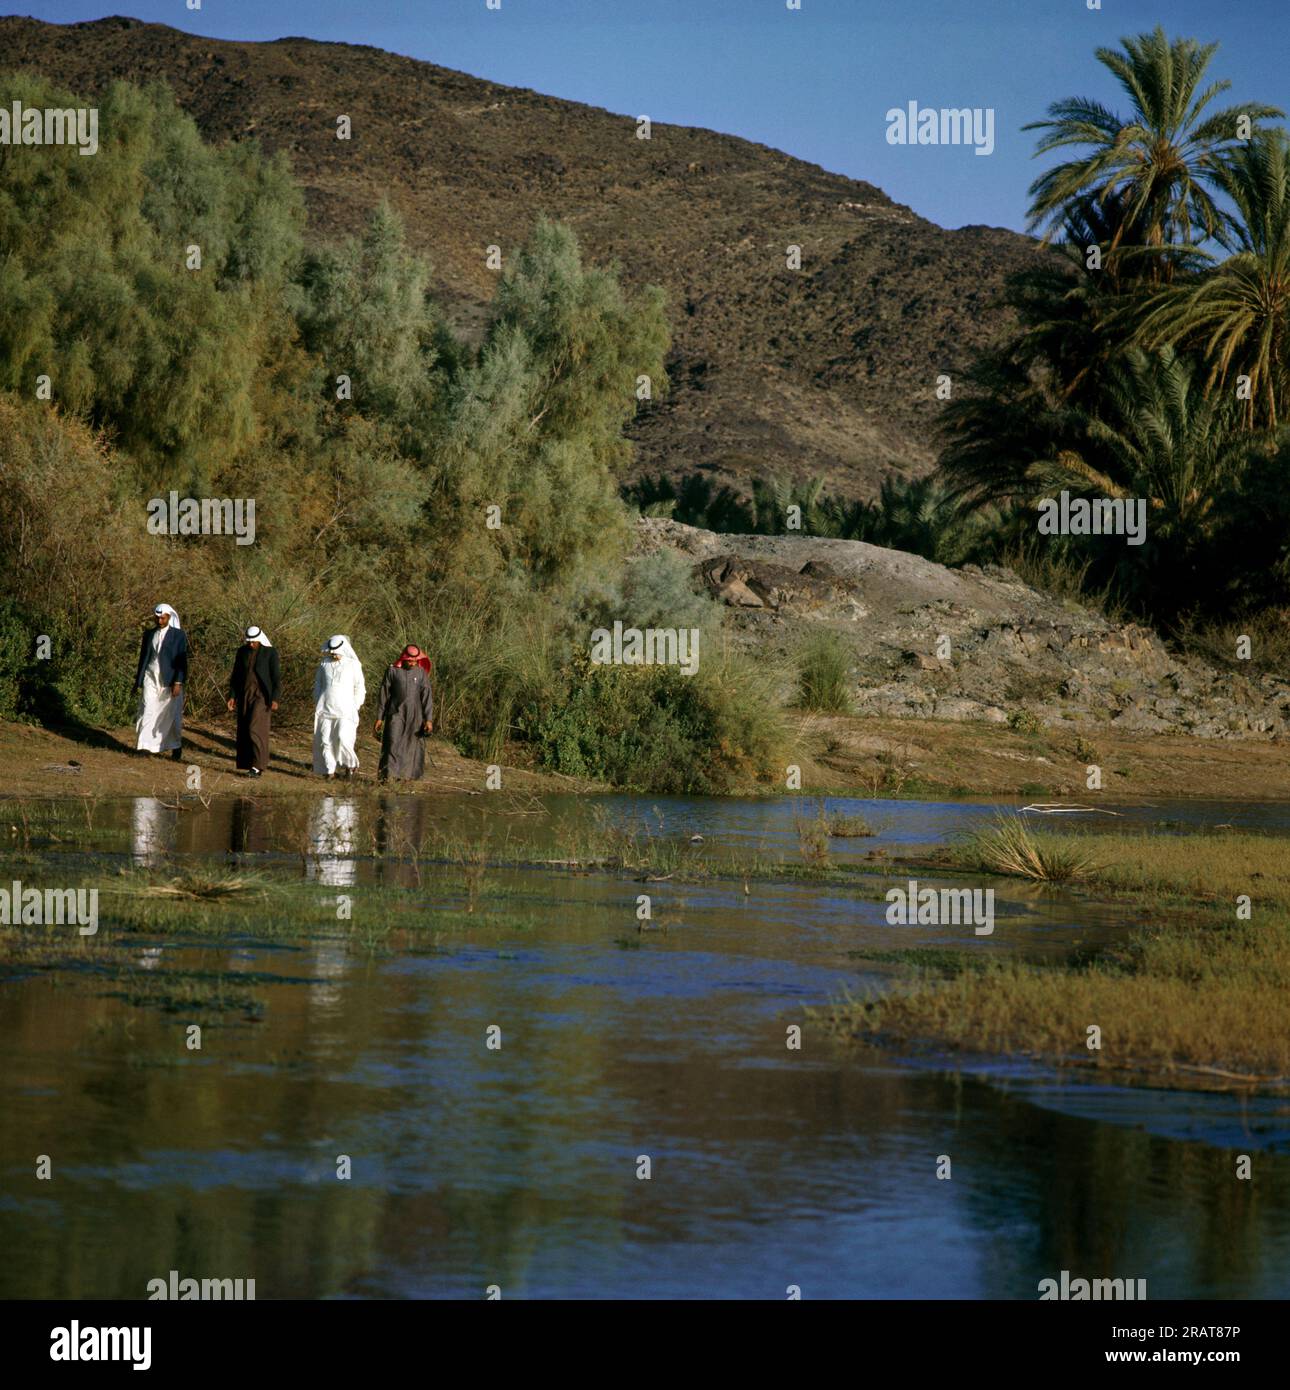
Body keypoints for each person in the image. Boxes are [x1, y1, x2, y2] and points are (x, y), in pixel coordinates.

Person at [134, 603, 188, 761]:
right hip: (151, 677)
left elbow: (182, 660)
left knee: (171, 716)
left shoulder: (178, 635)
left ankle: (175, 746)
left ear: (169, 617)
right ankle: (144, 746)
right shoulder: (149, 634)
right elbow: (143, 658)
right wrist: (138, 681)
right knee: (147, 708)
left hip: (170, 680)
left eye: (162, 618)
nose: (159, 621)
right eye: (157, 618)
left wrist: (178, 682)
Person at [226, 625, 281, 776]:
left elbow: (276, 677)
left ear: (260, 639)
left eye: (254, 642)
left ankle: (258, 766)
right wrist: (232, 696)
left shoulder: (270, 652)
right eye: (249, 641)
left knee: (255, 728)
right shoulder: (242, 652)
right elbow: (236, 675)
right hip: (244, 694)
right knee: (244, 729)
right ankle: (249, 764)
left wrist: (275, 698)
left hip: (262, 696)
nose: (251, 644)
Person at [374, 644, 433, 782]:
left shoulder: (421, 673)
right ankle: (388, 776)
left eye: (415, 661)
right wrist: (379, 717)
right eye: (410, 661)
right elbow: (384, 695)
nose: (412, 663)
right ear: (404, 658)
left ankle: (406, 777)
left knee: (411, 745)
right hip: (395, 713)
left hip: (415, 716)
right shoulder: (392, 671)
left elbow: (427, 697)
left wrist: (428, 719)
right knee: (392, 742)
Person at [312, 635, 365, 778]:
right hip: (325, 709)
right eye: (332, 652)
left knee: (343, 738)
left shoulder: (354, 665)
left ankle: (350, 765)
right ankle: (329, 771)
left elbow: (359, 687)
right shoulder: (324, 663)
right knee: (325, 740)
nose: (333, 654)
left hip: (346, 711)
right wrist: (318, 700)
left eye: (336, 652)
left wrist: (355, 705)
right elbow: (318, 684)